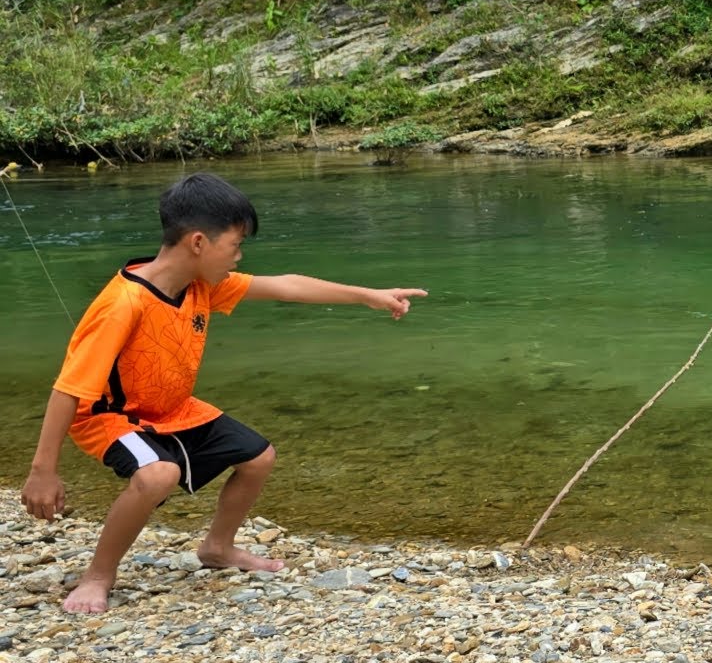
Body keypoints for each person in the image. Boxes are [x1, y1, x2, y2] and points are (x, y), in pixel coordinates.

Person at [19, 172, 428, 614]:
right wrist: (44, 470)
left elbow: (285, 285)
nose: (238, 256)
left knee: (258, 457)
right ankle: (98, 576)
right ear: (198, 242)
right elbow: (68, 388)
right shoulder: (124, 304)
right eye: (235, 245)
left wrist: (368, 295)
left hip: (173, 408)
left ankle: (218, 546)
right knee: (158, 475)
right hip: (111, 417)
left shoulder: (199, 285)